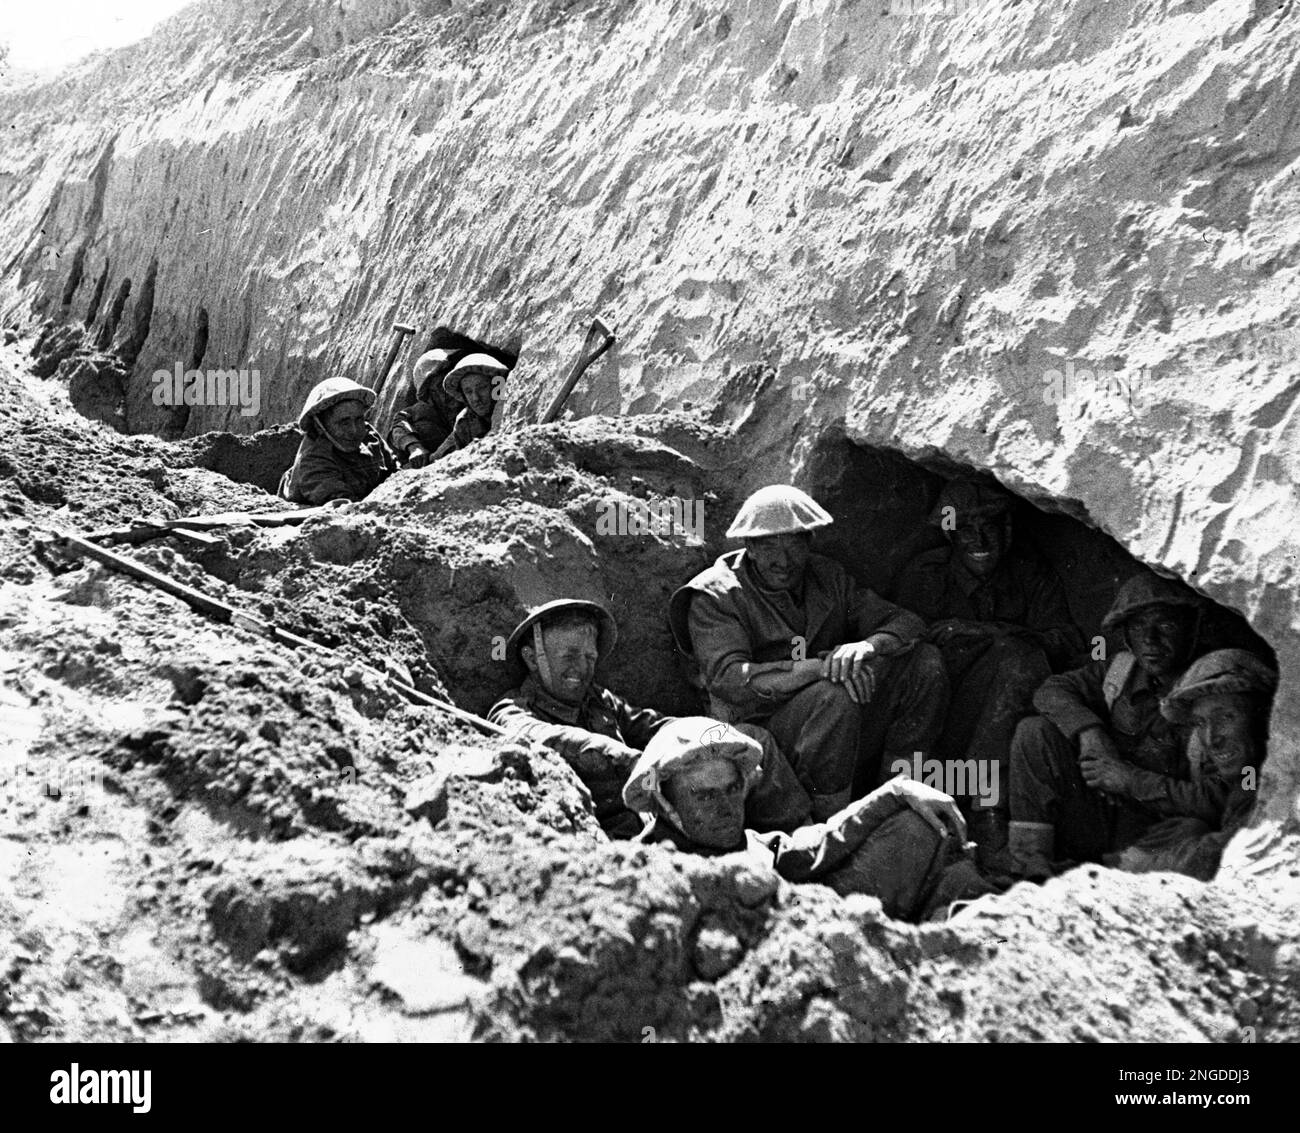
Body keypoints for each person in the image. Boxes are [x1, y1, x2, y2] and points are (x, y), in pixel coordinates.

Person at [670, 485, 946, 822]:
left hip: (834, 728)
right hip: (761, 734)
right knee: (833, 695)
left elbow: (907, 623)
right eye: (769, 545)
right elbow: (729, 680)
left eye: (794, 544)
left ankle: (900, 794)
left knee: (924, 663)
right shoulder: (715, 594)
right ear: (749, 547)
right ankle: (829, 823)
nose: (784, 561)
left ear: (809, 542)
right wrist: (819, 669)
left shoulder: (826, 576)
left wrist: (866, 646)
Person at [488, 600, 811, 838]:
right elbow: (533, 734)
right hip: (609, 838)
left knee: (752, 737)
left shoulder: (599, 701)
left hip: (657, 816)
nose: (582, 668)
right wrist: (620, 755)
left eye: (589, 657)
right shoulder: (513, 708)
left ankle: (799, 835)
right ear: (532, 658)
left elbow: (654, 726)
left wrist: (717, 734)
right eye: (568, 657)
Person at [624, 717, 994, 922]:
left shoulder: (754, 844)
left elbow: (821, 843)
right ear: (665, 802)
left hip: (827, 941)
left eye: (733, 788)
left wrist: (897, 792)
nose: (725, 806)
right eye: (704, 795)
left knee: (916, 826)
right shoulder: (643, 873)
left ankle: (966, 918)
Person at [894, 478, 1083, 862]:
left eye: (989, 528)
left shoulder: (1029, 574)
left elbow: (1069, 642)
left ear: (1008, 532)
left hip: (1000, 730)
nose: (979, 541)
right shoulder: (926, 576)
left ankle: (988, 812)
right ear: (950, 536)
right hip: (938, 725)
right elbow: (900, 641)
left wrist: (990, 633)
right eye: (966, 530)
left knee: (1021, 659)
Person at [1006, 571, 1205, 877]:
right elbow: (1051, 691)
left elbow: (1219, 800)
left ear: (1189, 630)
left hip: (1154, 833)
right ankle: (1029, 865)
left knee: (1193, 832)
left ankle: (1099, 878)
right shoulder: (1120, 671)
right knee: (1035, 732)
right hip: (1098, 817)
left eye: (1165, 625)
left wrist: (1130, 780)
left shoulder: (1210, 691)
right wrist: (1091, 733)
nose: (1150, 640)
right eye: (1138, 627)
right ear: (1126, 635)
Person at [1111, 649, 1276, 880]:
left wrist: (1149, 864)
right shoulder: (1249, 773)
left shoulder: (1283, 776)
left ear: (1265, 715)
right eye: (1200, 722)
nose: (1211, 739)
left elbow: (1236, 849)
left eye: (1226, 717)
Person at [278, 376, 396, 505]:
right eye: (344, 423)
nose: (354, 430)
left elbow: (396, 474)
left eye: (358, 419)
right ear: (320, 426)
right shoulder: (314, 460)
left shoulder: (369, 436)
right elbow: (344, 506)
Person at [429, 353, 510, 460]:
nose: (475, 398)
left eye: (482, 388)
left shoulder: (510, 406)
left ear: (496, 387)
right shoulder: (464, 422)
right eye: (468, 392)